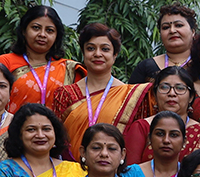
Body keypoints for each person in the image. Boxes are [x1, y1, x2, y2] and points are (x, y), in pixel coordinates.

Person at [46, 23, 151, 160]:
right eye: (90, 48)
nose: (97, 54)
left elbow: (136, 141)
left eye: (105, 49)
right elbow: (58, 139)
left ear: (115, 55)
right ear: (83, 53)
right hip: (71, 171)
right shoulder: (65, 94)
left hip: (113, 172)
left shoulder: (130, 96)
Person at [124, 67, 200, 164]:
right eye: (164, 87)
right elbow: (130, 171)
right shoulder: (142, 127)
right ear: (155, 94)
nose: (172, 93)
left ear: (191, 97)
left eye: (180, 88)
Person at [0, 5, 83, 111]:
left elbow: (78, 111)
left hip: (56, 127)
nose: (42, 34)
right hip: (13, 126)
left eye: (49, 30)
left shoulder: (69, 70)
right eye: (36, 28)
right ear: (24, 30)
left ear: (57, 36)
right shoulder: (5, 62)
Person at [132, 111, 188, 177]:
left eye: (174, 135)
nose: (166, 140)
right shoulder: (131, 174)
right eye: (160, 134)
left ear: (184, 141)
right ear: (149, 139)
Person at [130, 3, 198, 85]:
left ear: (193, 32)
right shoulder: (146, 67)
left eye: (179, 25)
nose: (172, 30)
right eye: (166, 27)